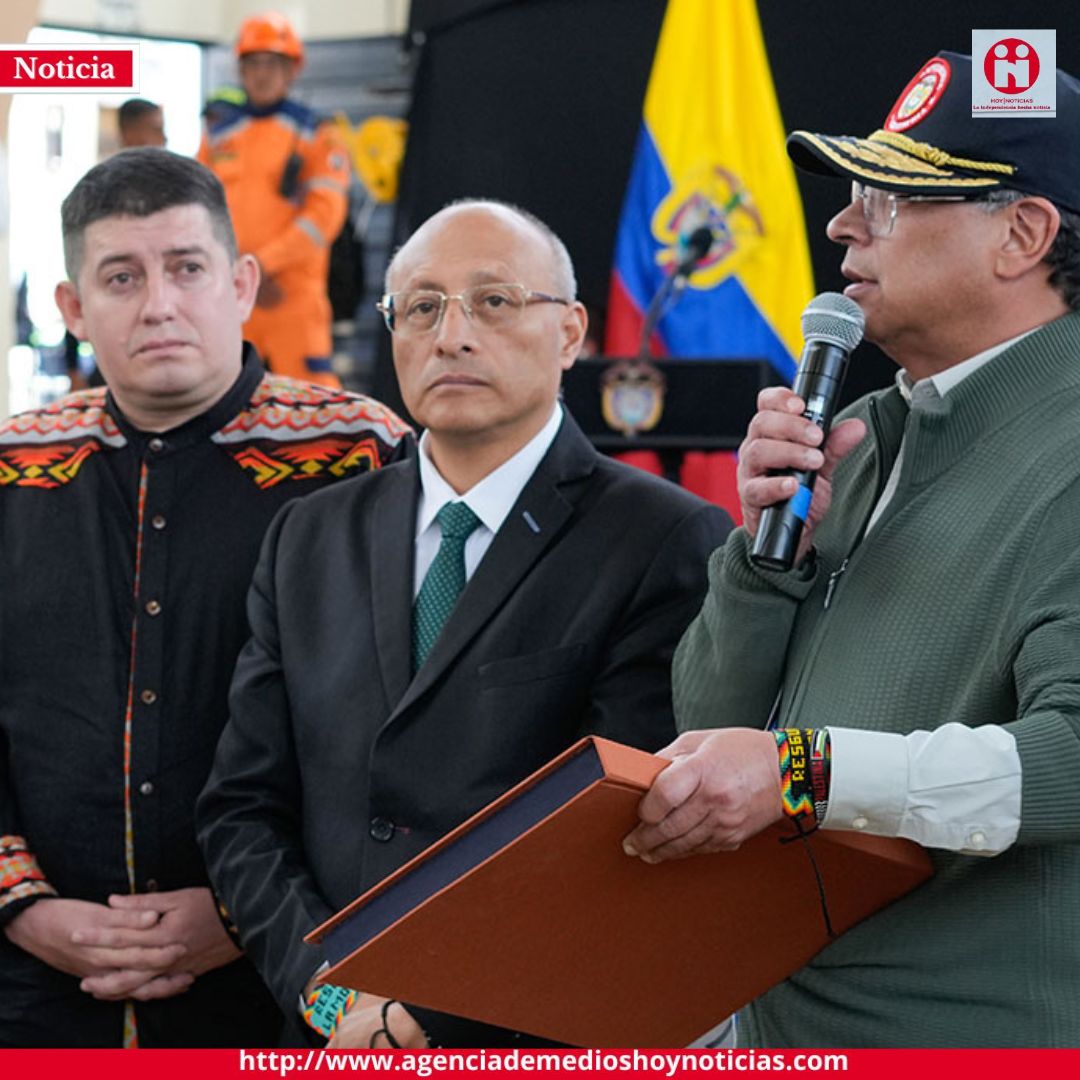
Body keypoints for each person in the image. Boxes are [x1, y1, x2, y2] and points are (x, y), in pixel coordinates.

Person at [197, 199, 732, 1048]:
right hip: (328, 1030)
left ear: (571, 333)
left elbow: (622, 835)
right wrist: (328, 997)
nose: (451, 335)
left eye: (493, 301)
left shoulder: (663, 539)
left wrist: (426, 1017)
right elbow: (242, 808)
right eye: (421, 307)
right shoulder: (311, 534)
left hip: (529, 1031)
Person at [623, 51, 1080, 1047]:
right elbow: (716, 722)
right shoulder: (866, 430)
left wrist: (803, 774)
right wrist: (767, 554)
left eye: (889, 199)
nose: (841, 224)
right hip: (778, 1014)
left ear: (1024, 235)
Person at [0, 148, 410, 1048]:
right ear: (72, 307)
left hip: (299, 977)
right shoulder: (14, 467)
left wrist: (243, 914)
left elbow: (417, 723)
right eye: (120, 276)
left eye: (186, 268)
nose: (158, 304)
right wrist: (21, 906)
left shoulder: (362, 455)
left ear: (240, 282)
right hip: (34, 986)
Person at [198, 12, 350, 388]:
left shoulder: (317, 135)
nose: (262, 74)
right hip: (230, 293)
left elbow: (323, 217)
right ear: (241, 69)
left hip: (291, 299)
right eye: (254, 63)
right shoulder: (218, 136)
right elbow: (197, 211)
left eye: (274, 63)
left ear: (292, 70)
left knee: (310, 404)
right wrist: (239, 271)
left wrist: (262, 266)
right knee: (222, 399)